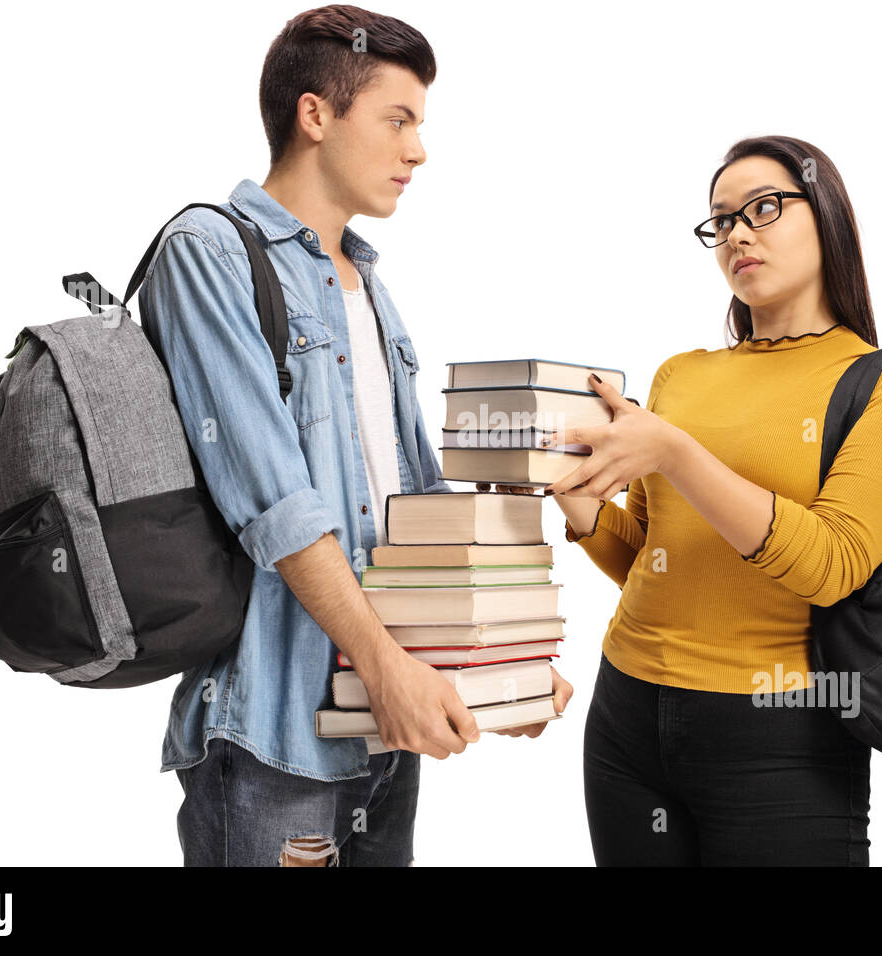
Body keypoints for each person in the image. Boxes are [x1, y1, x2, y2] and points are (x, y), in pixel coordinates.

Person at [139, 5, 565, 867]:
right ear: (316, 114)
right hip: (274, 731)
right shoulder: (211, 252)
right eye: (398, 120)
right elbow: (275, 502)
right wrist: (382, 664)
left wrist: (494, 670)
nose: (419, 150)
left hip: (381, 720)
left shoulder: (366, 282)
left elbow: (414, 506)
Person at [545, 135, 882, 866]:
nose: (736, 233)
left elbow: (833, 563)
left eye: (763, 208)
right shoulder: (680, 375)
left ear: (825, 216)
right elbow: (648, 558)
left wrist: (674, 451)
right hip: (626, 717)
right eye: (721, 220)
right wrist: (569, 491)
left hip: (779, 734)